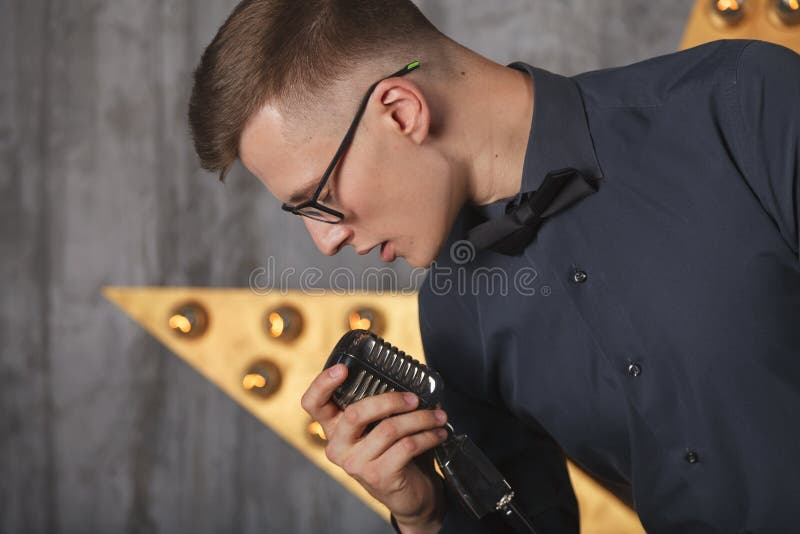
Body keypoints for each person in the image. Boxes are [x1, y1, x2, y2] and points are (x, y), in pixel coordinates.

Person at [188, 1, 800, 532]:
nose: (323, 243)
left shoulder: (745, 103)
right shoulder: (453, 313)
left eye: (315, 202)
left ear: (401, 111)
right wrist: (423, 514)